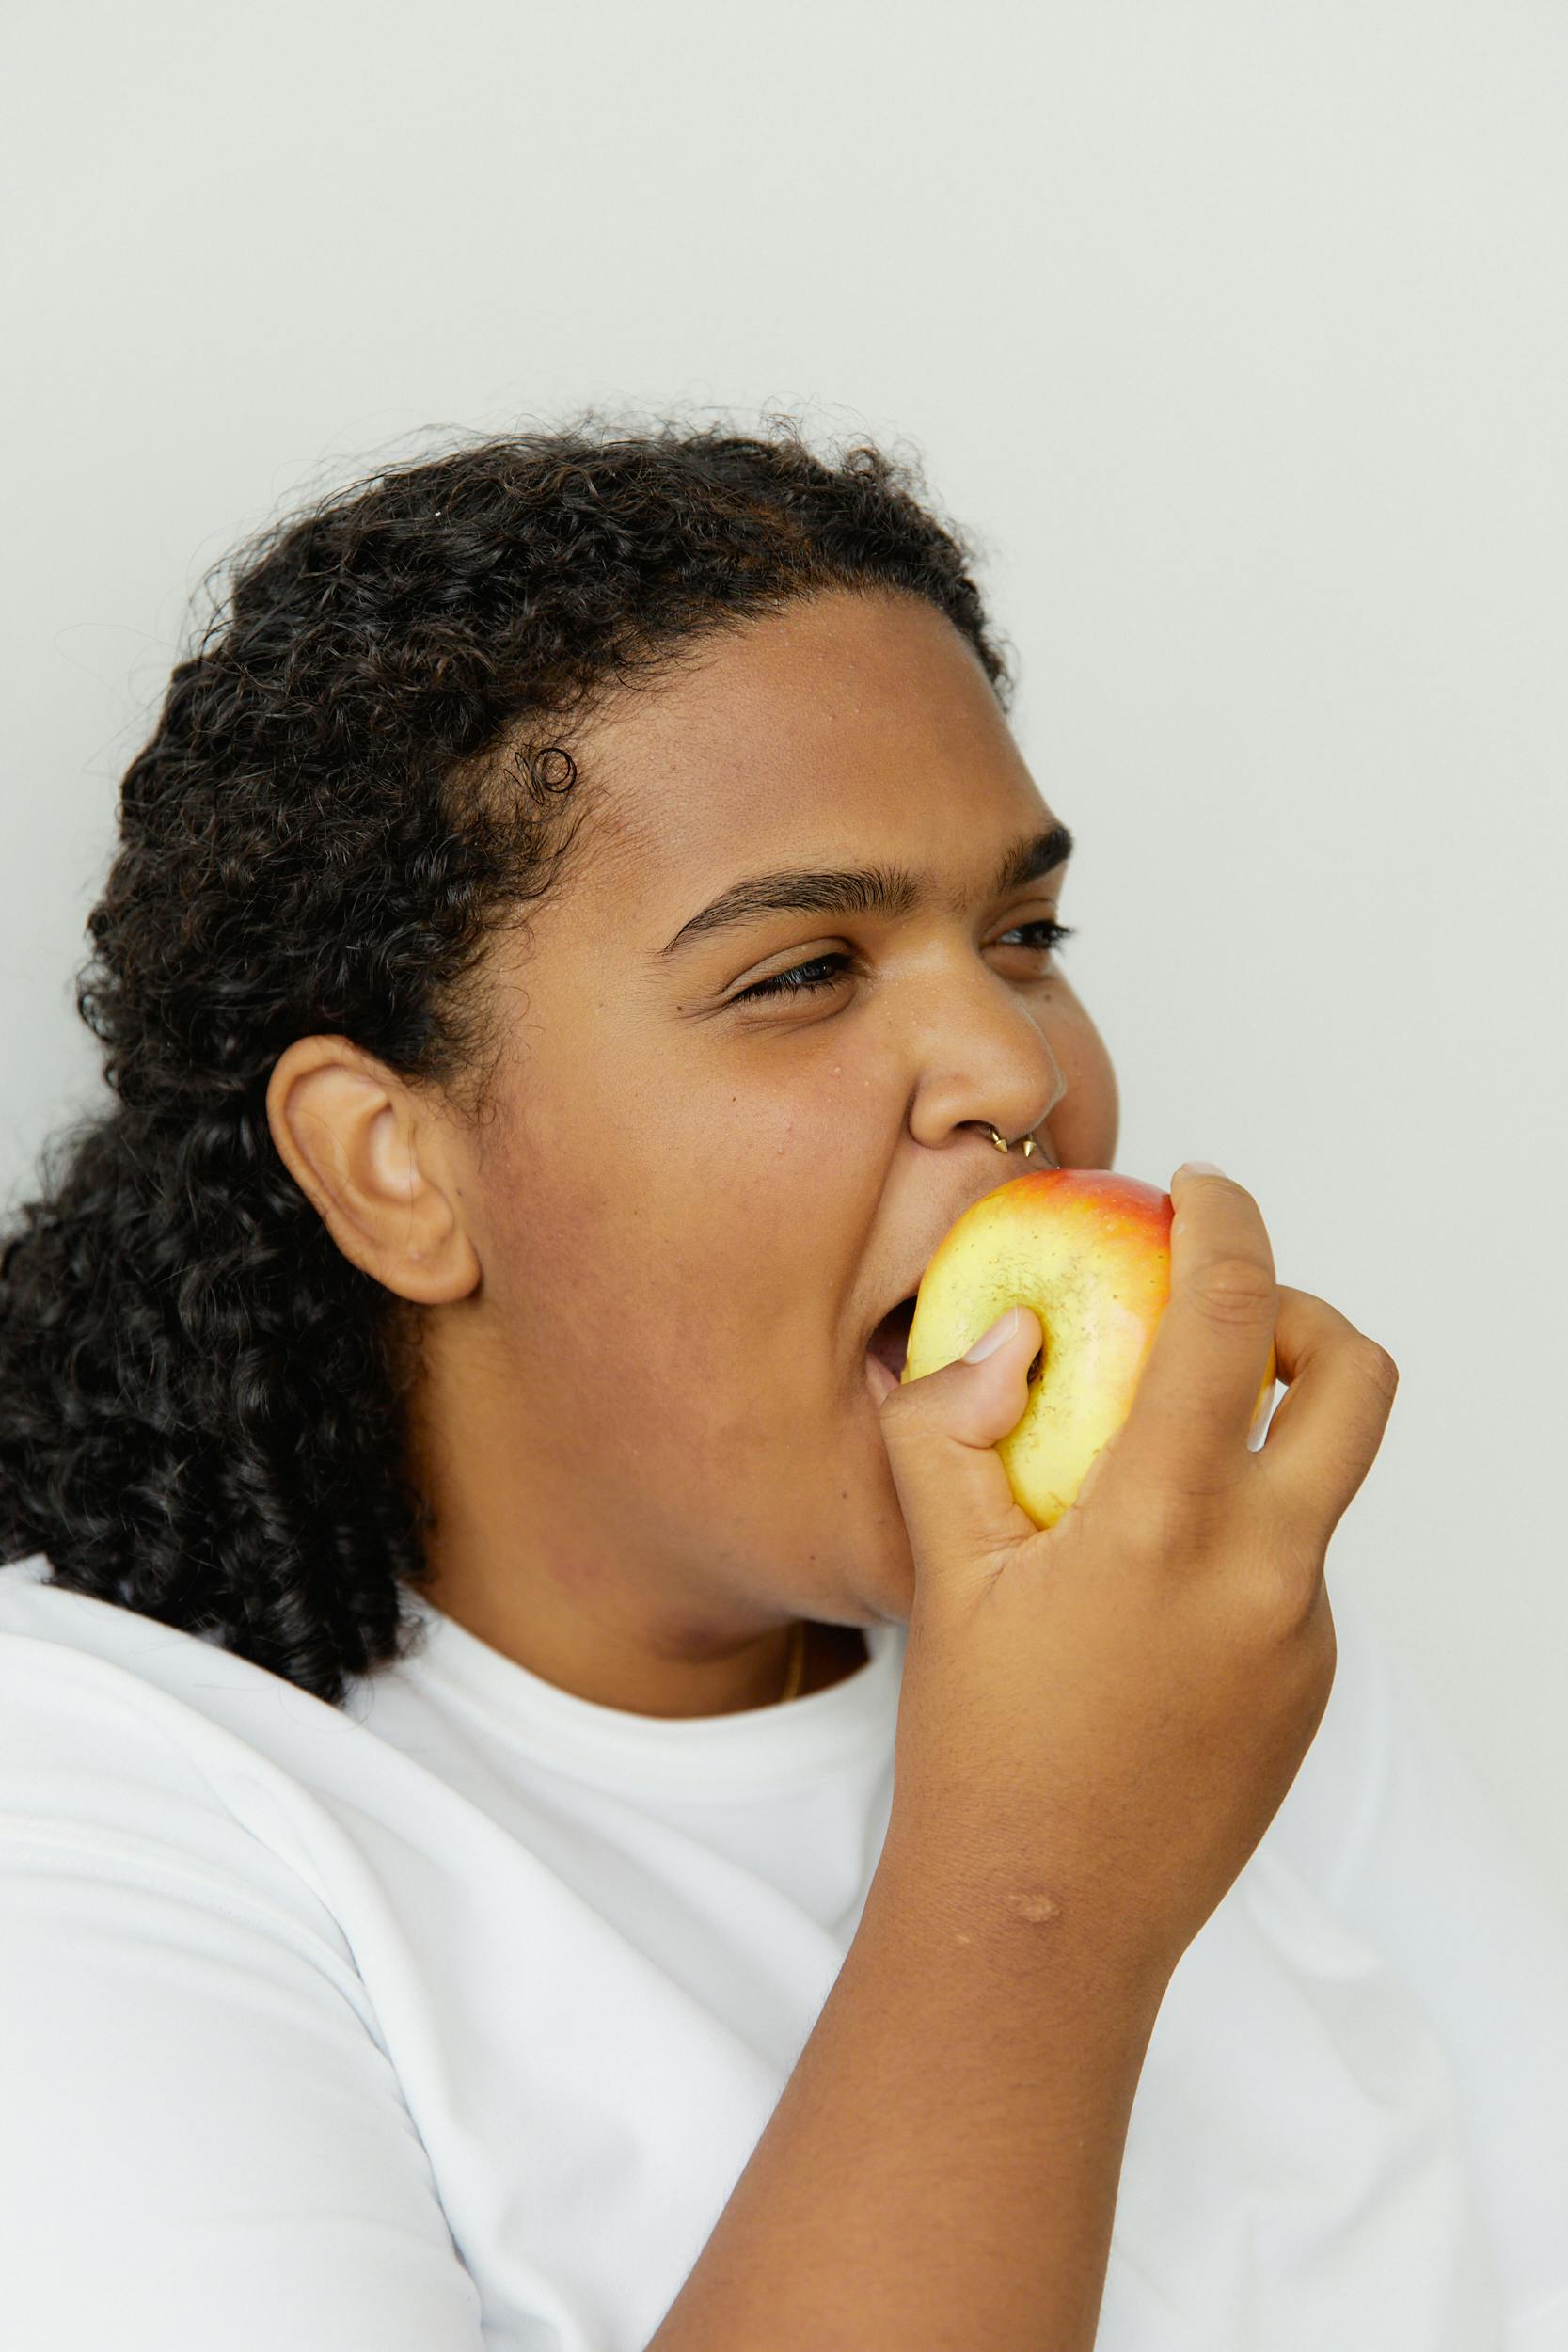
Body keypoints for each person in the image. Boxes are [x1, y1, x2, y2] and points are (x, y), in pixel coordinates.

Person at [1, 414, 1564, 2352]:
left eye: (1024, 933)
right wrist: (1035, 1887)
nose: (1011, 1060)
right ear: (394, 1163)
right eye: (800, 971)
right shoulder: (94, 1803)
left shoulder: (1187, 1619)